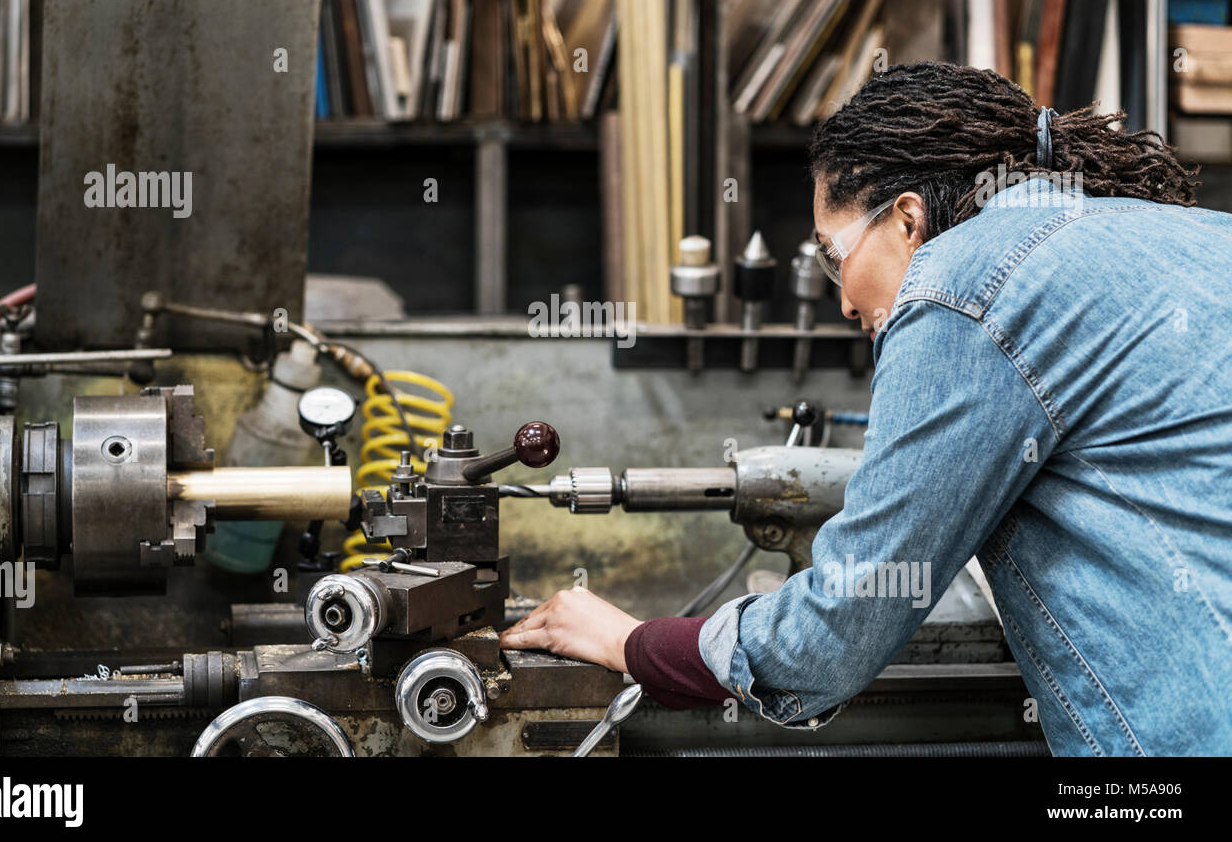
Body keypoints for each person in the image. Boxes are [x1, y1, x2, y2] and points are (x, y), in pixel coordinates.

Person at [500, 61, 1232, 756]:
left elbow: (831, 635)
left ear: (908, 220)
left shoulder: (960, 285)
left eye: (832, 254)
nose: (845, 299)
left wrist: (634, 642)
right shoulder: (1194, 233)